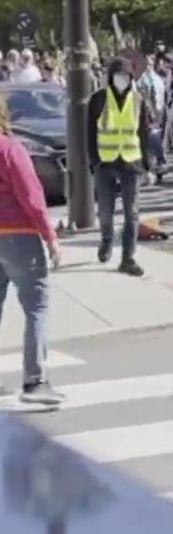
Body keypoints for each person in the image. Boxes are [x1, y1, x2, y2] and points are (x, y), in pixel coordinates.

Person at [0, 98, 64, 405]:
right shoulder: (11, 149)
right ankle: (35, 380)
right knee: (36, 306)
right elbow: (32, 196)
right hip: (18, 236)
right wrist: (50, 236)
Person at [87, 58, 150, 277]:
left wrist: (147, 164)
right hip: (106, 161)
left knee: (131, 212)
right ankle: (106, 240)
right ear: (111, 77)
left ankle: (128, 257)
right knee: (106, 211)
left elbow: (143, 132)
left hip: (131, 161)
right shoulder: (98, 99)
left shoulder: (139, 100)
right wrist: (93, 160)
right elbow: (90, 132)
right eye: (118, 76)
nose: (122, 80)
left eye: (126, 76)